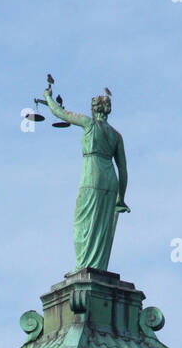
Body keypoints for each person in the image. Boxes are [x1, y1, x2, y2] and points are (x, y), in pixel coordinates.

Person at [43, 86, 129, 272]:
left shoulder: (88, 124)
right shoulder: (116, 136)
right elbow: (123, 169)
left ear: (93, 108)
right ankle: (97, 266)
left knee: (82, 221)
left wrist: (48, 98)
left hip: (93, 176)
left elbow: (61, 113)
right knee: (102, 226)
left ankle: (84, 265)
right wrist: (121, 197)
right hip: (111, 180)